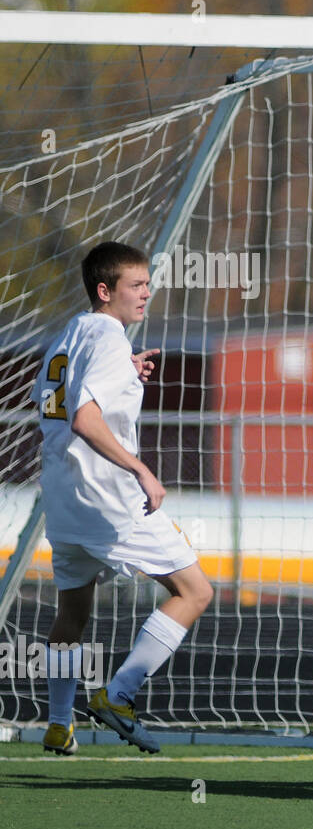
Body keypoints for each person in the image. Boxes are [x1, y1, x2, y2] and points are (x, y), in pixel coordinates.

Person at [32, 241, 214, 756]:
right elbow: (84, 417)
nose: (147, 294)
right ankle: (119, 695)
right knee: (195, 592)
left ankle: (60, 723)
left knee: (72, 611)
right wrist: (142, 470)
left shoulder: (70, 333)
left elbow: (54, 399)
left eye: (148, 284)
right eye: (136, 285)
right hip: (108, 500)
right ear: (105, 290)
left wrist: (124, 374)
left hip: (64, 499)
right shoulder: (109, 339)